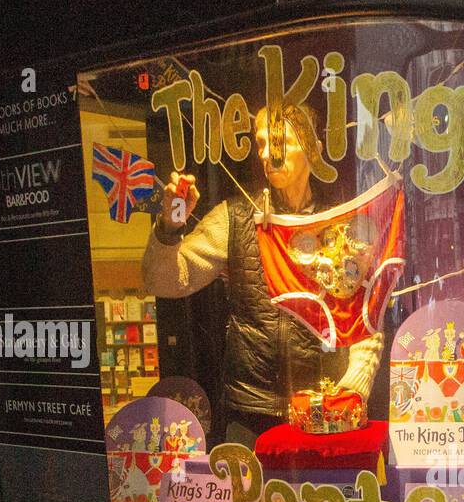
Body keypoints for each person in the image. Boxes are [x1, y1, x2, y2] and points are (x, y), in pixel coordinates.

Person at [141, 103, 383, 446]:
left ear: (313, 148)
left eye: (280, 142)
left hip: (324, 408)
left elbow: (365, 316)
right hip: (251, 410)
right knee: (252, 501)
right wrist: (169, 226)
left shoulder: (341, 222)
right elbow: (164, 281)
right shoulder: (237, 217)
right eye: (261, 143)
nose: (268, 154)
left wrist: (352, 387)